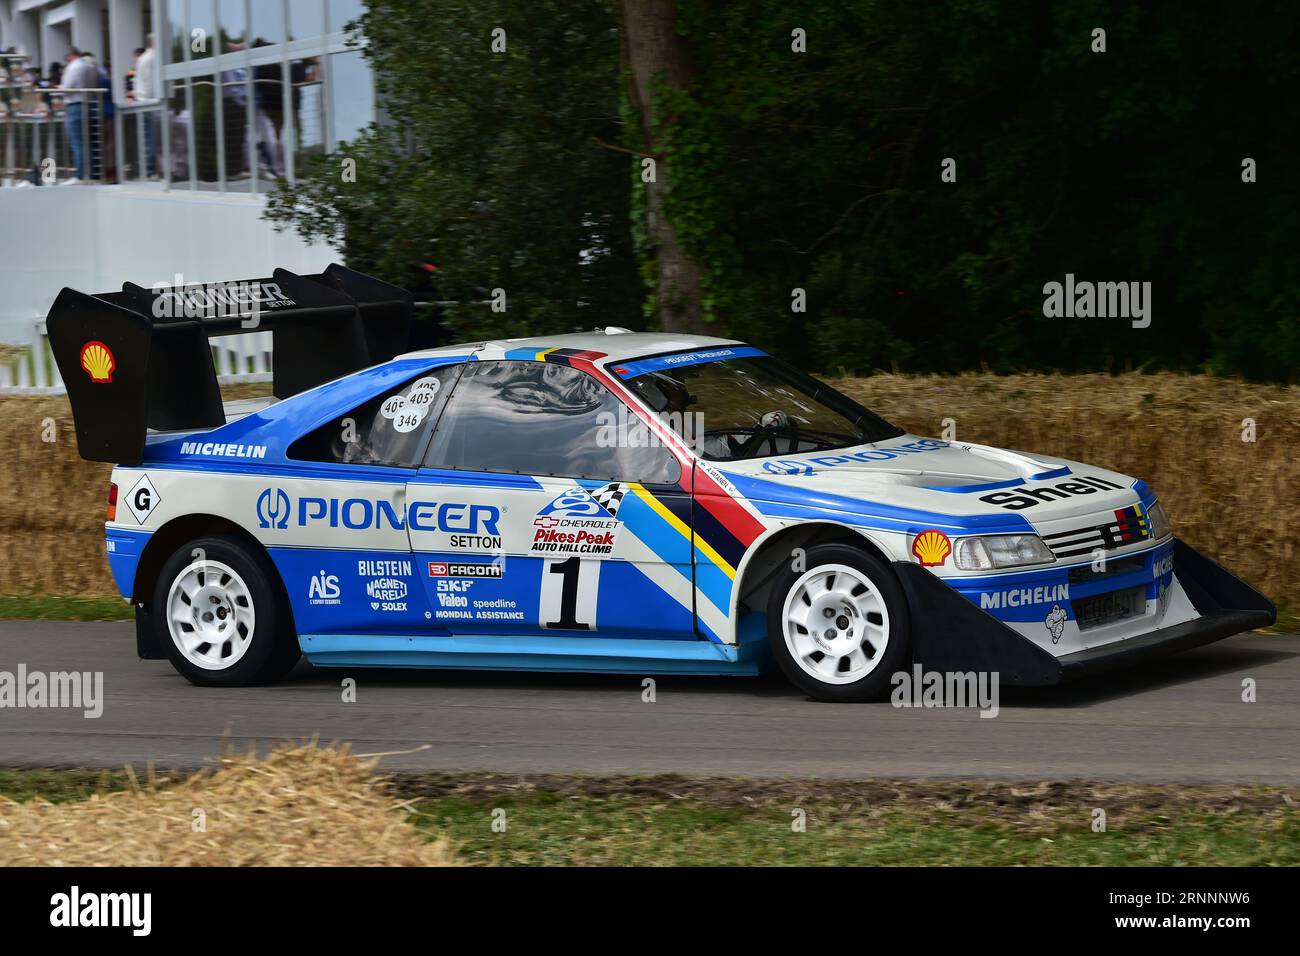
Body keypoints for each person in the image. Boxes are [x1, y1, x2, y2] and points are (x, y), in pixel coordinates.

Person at [60, 48, 98, 182]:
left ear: (71, 55)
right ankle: (93, 173)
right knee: (89, 142)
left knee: (77, 142)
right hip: (89, 104)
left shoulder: (73, 67)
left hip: (75, 104)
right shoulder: (89, 66)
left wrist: (60, 89)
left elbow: (67, 87)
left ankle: (79, 175)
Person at [133, 35, 160, 177]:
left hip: (141, 100)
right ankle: (150, 171)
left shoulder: (143, 58)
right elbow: (150, 82)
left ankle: (145, 170)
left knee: (144, 137)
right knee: (149, 137)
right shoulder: (152, 57)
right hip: (148, 101)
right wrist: (154, 98)